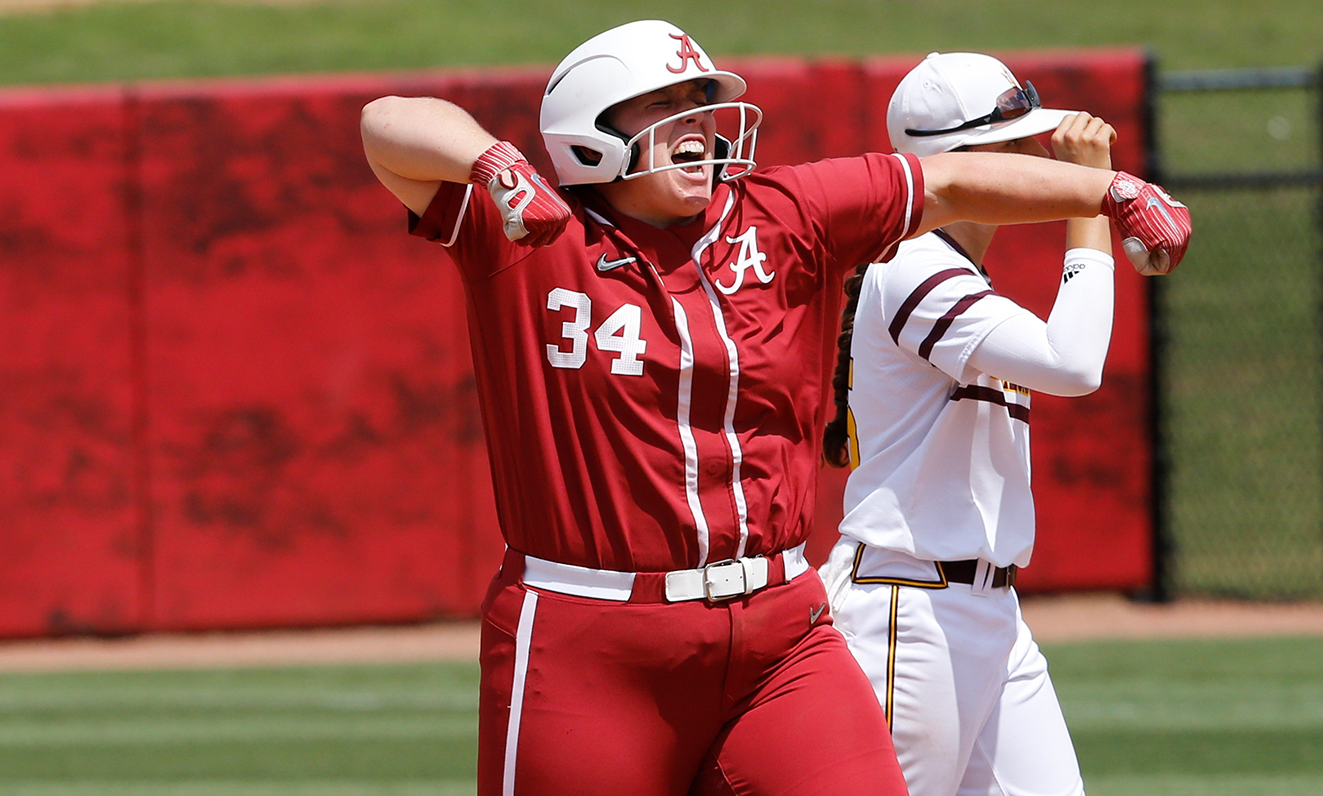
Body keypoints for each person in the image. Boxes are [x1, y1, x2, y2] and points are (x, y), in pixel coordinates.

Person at [359, 21, 1189, 796]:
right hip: (591, 632)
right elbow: (386, 123)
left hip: (780, 628)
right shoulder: (525, 234)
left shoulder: (784, 214)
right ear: (591, 129)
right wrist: (493, 164)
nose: (698, 120)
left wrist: (1112, 191)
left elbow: (949, 179)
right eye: (665, 103)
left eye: (702, 102)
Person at [818, 51, 1145, 796]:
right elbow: (1073, 363)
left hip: (986, 609)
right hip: (909, 611)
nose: (1042, 159)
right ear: (965, 160)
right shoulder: (912, 263)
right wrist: (1093, 199)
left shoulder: (949, 269)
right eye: (1019, 143)